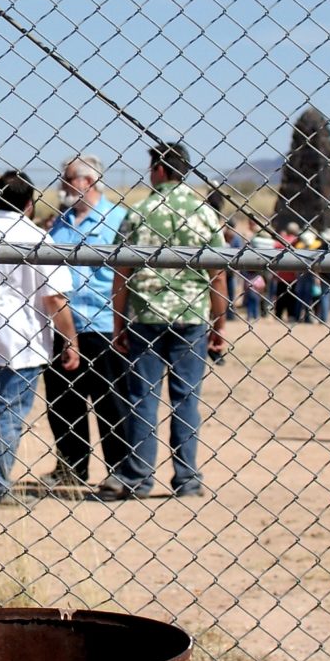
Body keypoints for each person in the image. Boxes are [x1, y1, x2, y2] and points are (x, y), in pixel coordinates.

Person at [102, 142, 226, 501]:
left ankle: (138, 475)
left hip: (145, 316)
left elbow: (121, 273)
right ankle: (187, 478)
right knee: (186, 398)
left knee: (143, 398)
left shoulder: (139, 212)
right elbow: (217, 274)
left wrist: (118, 324)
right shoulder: (204, 214)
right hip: (191, 316)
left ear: (159, 169)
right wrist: (219, 325)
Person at [0, 175, 79, 506]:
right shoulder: (37, 237)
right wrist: (70, 340)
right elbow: (53, 298)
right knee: (6, 415)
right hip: (21, 342)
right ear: (29, 204)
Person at [42, 155, 128, 489]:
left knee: (111, 401)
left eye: (66, 179)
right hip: (64, 326)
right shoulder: (61, 222)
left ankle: (119, 469)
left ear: (86, 182)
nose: (62, 186)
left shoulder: (118, 219)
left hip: (104, 324)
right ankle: (71, 468)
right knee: (63, 401)